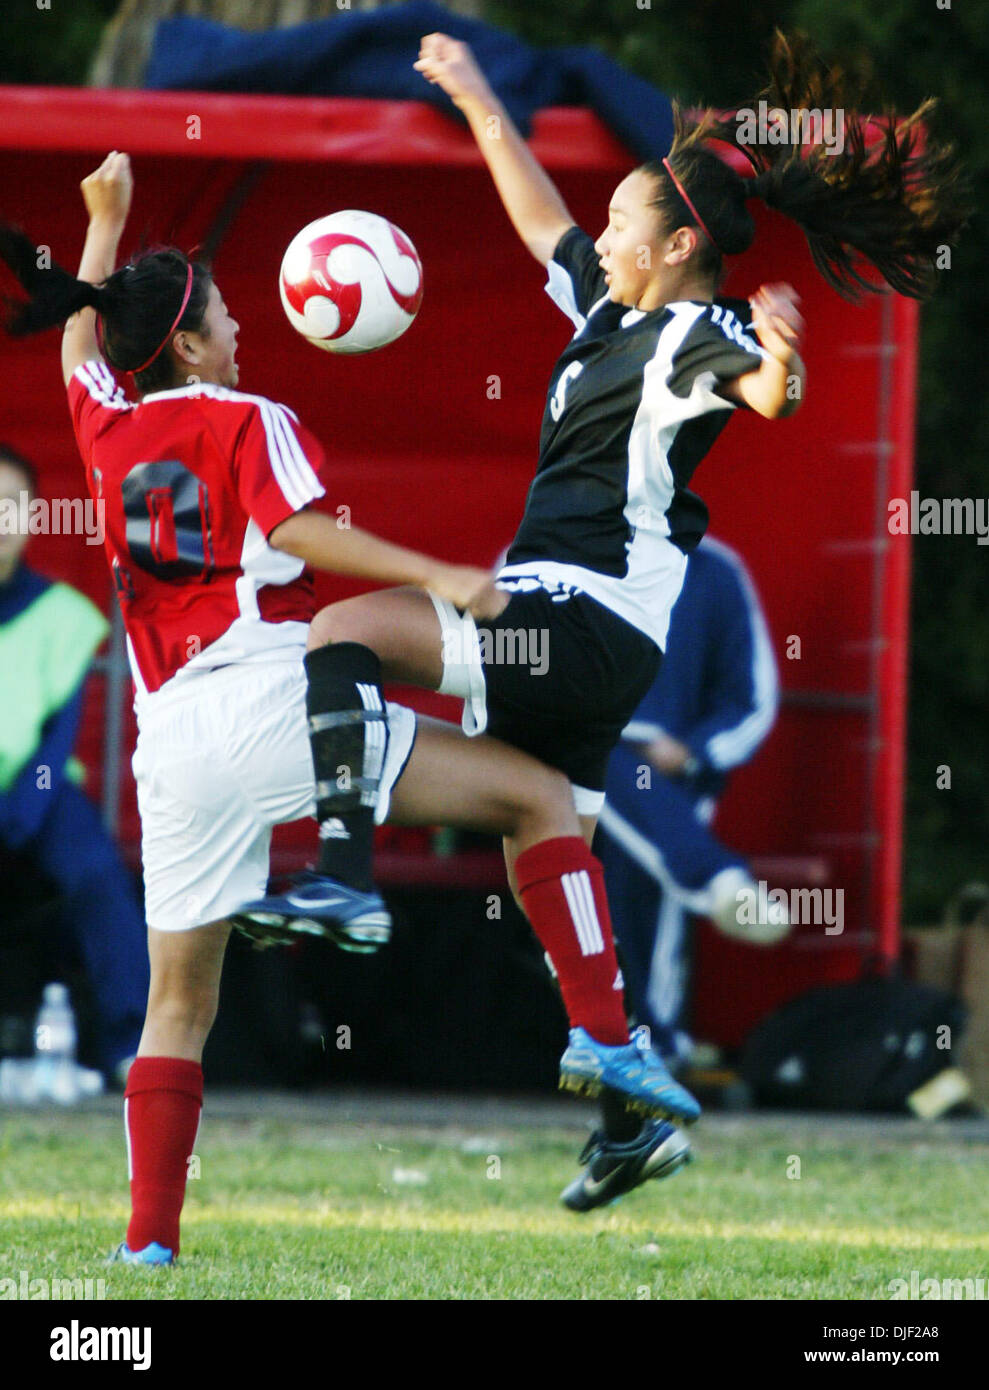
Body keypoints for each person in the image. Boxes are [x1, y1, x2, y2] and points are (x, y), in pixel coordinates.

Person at [241, 29, 964, 1212]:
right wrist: (477, 97)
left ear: (678, 246)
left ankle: (340, 877)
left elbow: (763, 391)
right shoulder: (603, 312)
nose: (604, 231)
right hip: (595, 649)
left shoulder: (690, 331)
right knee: (537, 817)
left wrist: (779, 358)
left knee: (342, 634)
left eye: (623, 217)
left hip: (565, 623)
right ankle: (625, 1094)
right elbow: (540, 223)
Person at [0, 149, 698, 1264]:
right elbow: (297, 535)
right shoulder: (243, 417)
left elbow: (79, 349)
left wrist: (103, 229)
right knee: (532, 795)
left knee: (176, 1005)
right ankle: (581, 1026)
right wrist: (449, 577)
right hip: (273, 698)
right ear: (187, 345)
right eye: (224, 315)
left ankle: (146, 1250)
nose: (241, 328)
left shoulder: (106, 427)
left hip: (170, 742)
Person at [597, 535, 788, 1071]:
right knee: (603, 758)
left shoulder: (714, 571)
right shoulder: (543, 550)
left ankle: (638, 1043)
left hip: (670, 772)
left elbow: (749, 701)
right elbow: (501, 665)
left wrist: (692, 750)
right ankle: (655, 1041)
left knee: (635, 843)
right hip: (557, 760)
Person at [0, 443, 148, 1084]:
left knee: (94, 874)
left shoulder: (61, 616)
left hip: (36, 791)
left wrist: (19, 814)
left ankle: (135, 1046)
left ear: (32, 518)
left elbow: (53, 749)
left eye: (9, 507)